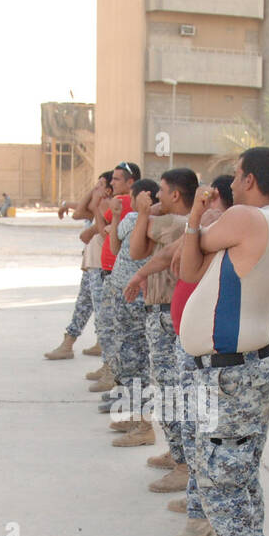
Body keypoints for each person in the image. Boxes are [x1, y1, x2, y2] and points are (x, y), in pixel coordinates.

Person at [178, 147, 269, 536]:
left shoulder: (244, 217)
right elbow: (190, 270)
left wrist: (196, 216)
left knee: (222, 480)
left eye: (237, 174)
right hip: (244, 368)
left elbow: (191, 255)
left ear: (246, 179)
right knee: (237, 475)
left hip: (232, 374)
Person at [166, 175, 232, 536]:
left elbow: (187, 261)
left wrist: (198, 222)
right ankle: (198, 500)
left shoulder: (222, 228)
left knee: (201, 434)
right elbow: (177, 259)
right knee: (191, 431)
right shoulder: (203, 227)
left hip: (207, 350)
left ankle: (201, 512)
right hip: (187, 343)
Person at [124, 167, 193, 484]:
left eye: (162, 192)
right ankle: (177, 453)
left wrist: (141, 212)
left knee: (170, 393)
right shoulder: (174, 221)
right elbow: (138, 249)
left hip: (168, 314)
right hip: (162, 312)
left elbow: (135, 248)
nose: (156, 198)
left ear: (176, 195)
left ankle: (184, 464)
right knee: (167, 390)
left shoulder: (177, 223)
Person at [103, 177, 160, 447]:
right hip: (123, 297)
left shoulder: (148, 220)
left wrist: (141, 214)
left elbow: (137, 255)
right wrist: (115, 217)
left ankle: (144, 424)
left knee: (136, 361)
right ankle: (135, 416)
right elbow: (114, 248)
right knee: (127, 358)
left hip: (136, 300)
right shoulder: (131, 218)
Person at [88, 162, 140, 402]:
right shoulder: (122, 204)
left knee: (115, 332)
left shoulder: (125, 205)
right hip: (112, 272)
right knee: (111, 329)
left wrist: (99, 208)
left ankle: (115, 377)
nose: (112, 184)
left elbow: (101, 232)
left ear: (131, 182)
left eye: (117, 180)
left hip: (116, 274)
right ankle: (114, 377)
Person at [46, 172, 110, 360]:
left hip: (101, 265)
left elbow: (79, 212)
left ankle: (106, 361)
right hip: (92, 263)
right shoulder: (98, 204)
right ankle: (70, 343)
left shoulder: (106, 205)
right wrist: (92, 192)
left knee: (100, 310)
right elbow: (81, 209)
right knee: (84, 304)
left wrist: (94, 196)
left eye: (101, 184)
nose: (96, 187)